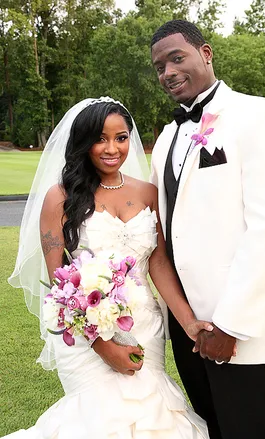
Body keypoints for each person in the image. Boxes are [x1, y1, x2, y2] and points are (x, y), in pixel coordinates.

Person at [5, 97, 211, 438]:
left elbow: (157, 263)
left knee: (155, 415)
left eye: (121, 137)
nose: (111, 148)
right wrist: (102, 344)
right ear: (84, 142)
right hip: (86, 334)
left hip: (144, 325)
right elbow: (58, 284)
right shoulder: (60, 197)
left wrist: (188, 322)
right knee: (99, 419)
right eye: (101, 138)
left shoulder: (147, 192)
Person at [150, 19, 265, 439]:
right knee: (213, 427)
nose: (168, 73)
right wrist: (182, 319)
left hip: (238, 324)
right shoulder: (165, 138)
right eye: (159, 67)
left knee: (257, 428)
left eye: (176, 58)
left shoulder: (259, 114)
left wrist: (231, 323)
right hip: (187, 327)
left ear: (207, 53)